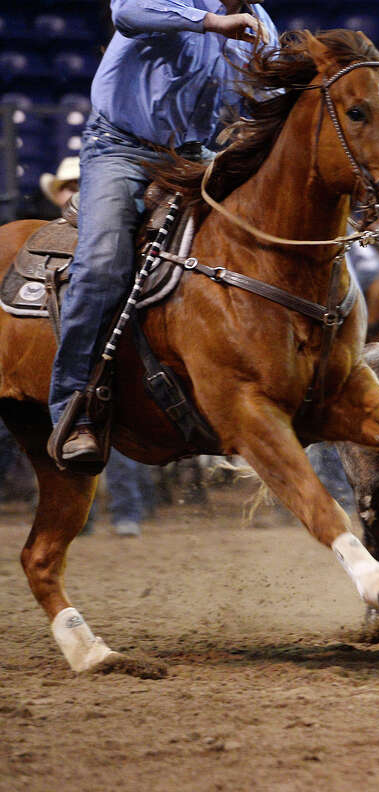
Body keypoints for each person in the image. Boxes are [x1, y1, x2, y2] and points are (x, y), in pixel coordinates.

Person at [48, 1, 277, 467]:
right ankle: (72, 406)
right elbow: (127, 11)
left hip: (195, 154)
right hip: (121, 147)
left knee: (256, 246)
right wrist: (212, 22)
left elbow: (262, 100)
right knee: (103, 264)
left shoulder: (262, 26)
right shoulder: (191, 5)